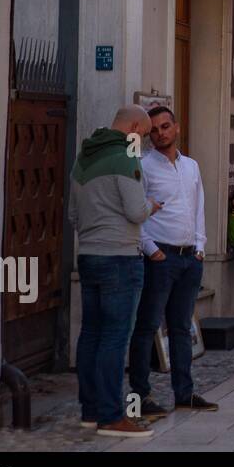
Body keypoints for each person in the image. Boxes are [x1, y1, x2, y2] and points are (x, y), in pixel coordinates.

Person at [72, 106, 158, 438]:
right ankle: (111, 416)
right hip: (120, 258)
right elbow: (137, 211)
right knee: (114, 337)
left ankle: (90, 411)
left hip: (89, 254)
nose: (146, 141)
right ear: (134, 127)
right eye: (146, 134)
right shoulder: (126, 156)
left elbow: (72, 213)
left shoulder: (84, 157)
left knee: (91, 333)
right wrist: (153, 205)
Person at [128, 106, 217, 419]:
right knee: (147, 326)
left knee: (181, 328)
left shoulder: (191, 166)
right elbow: (135, 211)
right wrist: (150, 248)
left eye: (165, 127)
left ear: (177, 127)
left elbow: (199, 207)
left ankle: (184, 393)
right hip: (160, 257)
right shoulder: (143, 166)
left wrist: (201, 246)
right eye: (154, 129)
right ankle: (140, 395)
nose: (161, 133)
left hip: (189, 257)